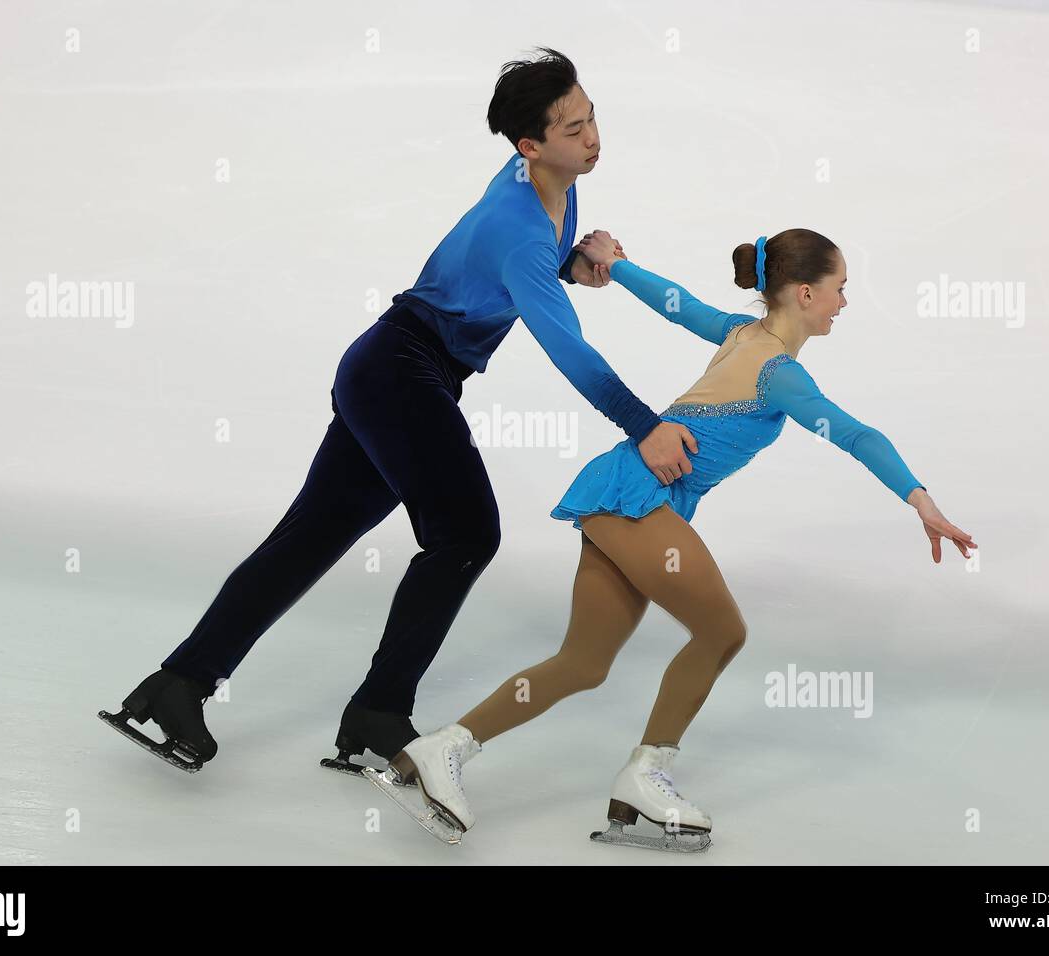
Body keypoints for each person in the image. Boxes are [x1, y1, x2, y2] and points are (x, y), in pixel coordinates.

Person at [97, 48, 700, 774]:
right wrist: (646, 427)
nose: (593, 137)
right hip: (399, 373)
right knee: (466, 534)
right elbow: (570, 352)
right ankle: (379, 711)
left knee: (309, 540)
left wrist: (573, 263)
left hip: (394, 371)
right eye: (573, 130)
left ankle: (179, 684)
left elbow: (518, 270)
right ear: (529, 145)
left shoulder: (549, 182)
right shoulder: (520, 227)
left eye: (592, 115)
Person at [367, 228, 978, 852]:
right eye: (839, 288)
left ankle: (441, 749)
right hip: (640, 501)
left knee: (583, 662)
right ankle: (646, 773)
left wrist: (620, 266)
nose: (845, 301)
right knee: (723, 632)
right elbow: (855, 434)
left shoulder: (744, 335)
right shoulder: (780, 373)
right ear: (803, 293)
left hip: (625, 493)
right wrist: (921, 500)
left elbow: (678, 305)